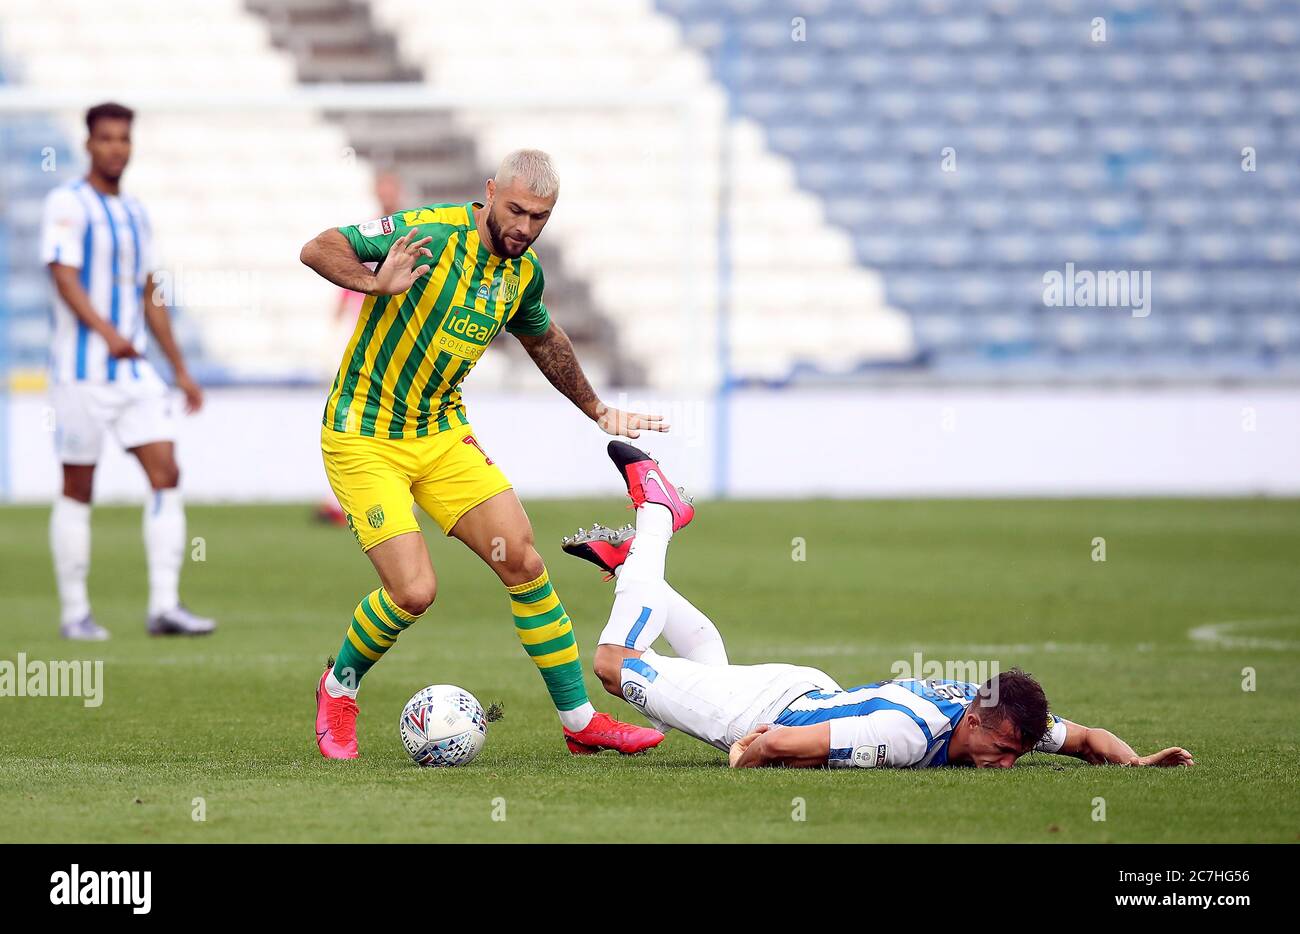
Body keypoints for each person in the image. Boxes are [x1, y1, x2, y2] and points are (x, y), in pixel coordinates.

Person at [299, 149, 665, 759]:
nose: (524, 227)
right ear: (491, 192)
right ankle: (338, 686)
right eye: (516, 209)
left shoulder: (523, 273)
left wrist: (598, 409)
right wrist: (372, 281)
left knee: (522, 560)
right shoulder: (431, 235)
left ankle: (579, 723)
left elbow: (543, 336)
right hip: (363, 434)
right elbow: (319, 247)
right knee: (414, 591)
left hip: (441, 434)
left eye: (539, 218)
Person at [564, 441, 1196, 771]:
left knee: (698, 661)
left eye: (1017, 753)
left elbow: (1083, 738)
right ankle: (657, 513)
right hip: (774, 708)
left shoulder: (997, 716)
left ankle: (635, 575)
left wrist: (1136, 761)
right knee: (615, 663)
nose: (1007, 763)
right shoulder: (907, 735)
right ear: (975, 720)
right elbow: (784, 747)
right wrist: (750, 752)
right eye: (1003, 751)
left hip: (809, 689)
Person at [40, 101, 214, 641]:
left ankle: (164, 605)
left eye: (124, 139)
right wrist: (106, 332)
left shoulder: (136, 213)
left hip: (134, 372)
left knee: (167, 471)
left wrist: (180, 368)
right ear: (89, 144)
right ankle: (75, 613)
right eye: (106, 138)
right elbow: (62, 275)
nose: (116, 147)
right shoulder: (67, 203)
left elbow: (149, 294)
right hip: (82, 371)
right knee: (78, 485)